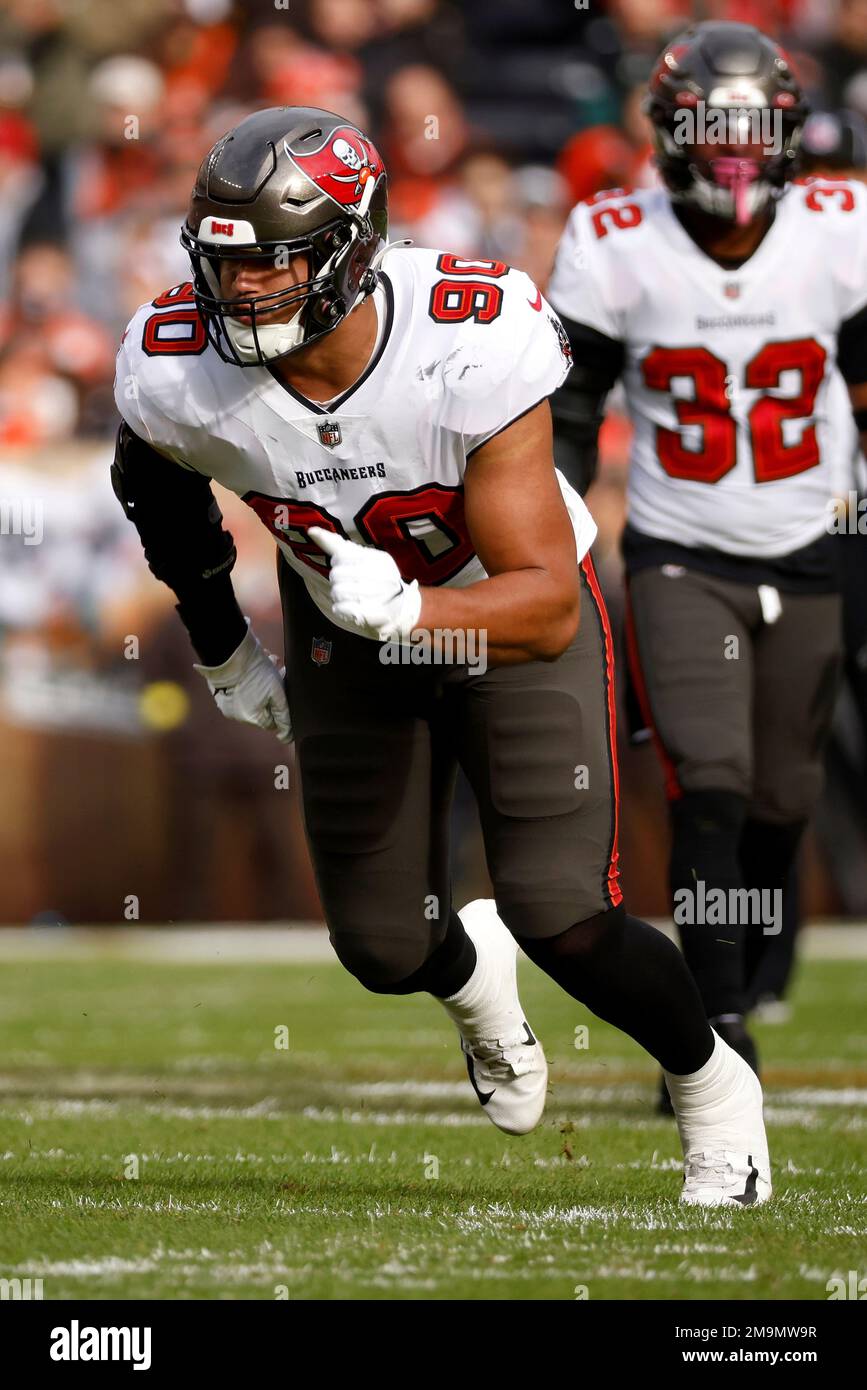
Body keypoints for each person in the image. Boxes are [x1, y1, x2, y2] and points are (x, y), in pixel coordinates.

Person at [113, 104, 771, 1204]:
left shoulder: (467, 333)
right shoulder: (174, 365)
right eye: (224, 266)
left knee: (561, 912)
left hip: (499, 610)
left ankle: (713, 1085)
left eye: (275, 268)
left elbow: (548, 602)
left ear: (351, 249)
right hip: (342, 622)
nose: (242, 295)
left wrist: (418, 615)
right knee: (379, 945)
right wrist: (225, 649)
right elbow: (157, 489)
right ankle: (476, 991)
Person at [547, 21, 867, 1108]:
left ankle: (749, 964)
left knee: (784, 801)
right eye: (711, 133)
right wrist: (554, 512)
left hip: (813, 542)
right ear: (670, 134)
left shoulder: (840, 229)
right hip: (680, 551)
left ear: (789, 137)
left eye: (754, 134)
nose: (735, 160)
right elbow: (573, 408)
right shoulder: (613, 238)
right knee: (710, 793)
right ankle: (716, 1034)